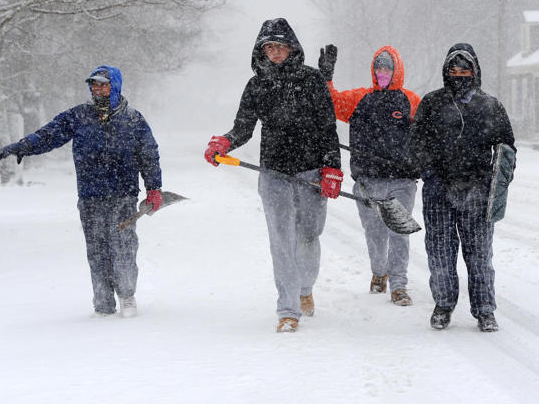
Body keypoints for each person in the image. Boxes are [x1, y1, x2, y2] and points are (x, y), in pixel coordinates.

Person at [204, 18, 342, 333]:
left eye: (280, 46)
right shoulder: (257, 85)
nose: (275, 52)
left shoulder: (312, 80)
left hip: (310, 172)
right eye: (269, 47)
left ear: (292, 47)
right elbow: (243, 127)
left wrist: (332, 167)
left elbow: (327, 127)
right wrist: (225, 141)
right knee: (281, 241)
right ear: (261, 51)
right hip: (273, 173)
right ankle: (288, 309)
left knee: (309, 235)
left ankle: (305, 288)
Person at [0, 65, 163, 319]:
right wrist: (23, 146)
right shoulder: (78, 116)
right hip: (90, 196)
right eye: (94, 85)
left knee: (123, 247)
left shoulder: (133, 120)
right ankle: (103, 304)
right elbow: (49, 135)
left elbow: (149, 155)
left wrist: (154, 188)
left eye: (103, 84)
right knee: (97, 250)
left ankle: (127, 295)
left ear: (115, 86)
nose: (98, 89)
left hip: (123, 194)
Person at [408, 43, 515, 332]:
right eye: (453, 70)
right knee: (440, 252)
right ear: (446, 71)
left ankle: (484, 310)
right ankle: (443, 305)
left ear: (475, 71)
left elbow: (506, 149)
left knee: (480, 255)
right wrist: (429, 172)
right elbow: (416, 143)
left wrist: (497, 185)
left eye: (465, 70)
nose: (459, 75)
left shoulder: (490, 106)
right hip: (438, 191)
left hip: (477, 191)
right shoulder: (432, 103)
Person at [318, 44, 421, 306]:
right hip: (367, 180)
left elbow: (430, 133)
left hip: (401, 182)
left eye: (388, 68)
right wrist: (326, 78)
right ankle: (379, 272)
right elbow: (330, 104)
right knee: (375, 233)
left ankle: (399, 285)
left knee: (399, 233)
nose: (383, 72)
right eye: (379, 68)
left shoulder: (411, 101)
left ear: (397, 70)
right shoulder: (359, 98)